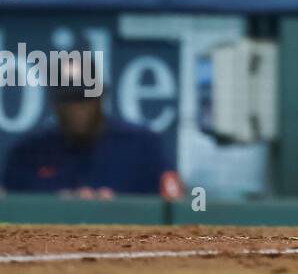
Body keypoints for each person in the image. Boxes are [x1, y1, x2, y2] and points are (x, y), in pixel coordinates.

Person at [2, 79, 177, 197]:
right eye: (69, 99)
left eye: (85, 98)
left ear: (100, 98)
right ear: (55, 104)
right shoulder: (28, 152)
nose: (77, 108)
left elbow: (175, 200)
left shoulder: (142, 145)